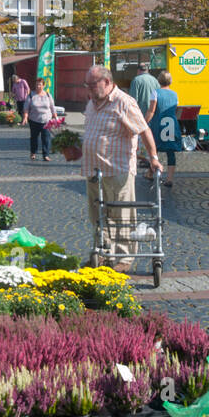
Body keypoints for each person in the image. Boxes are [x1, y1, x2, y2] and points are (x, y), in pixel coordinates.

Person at [82, 65, 162, 272]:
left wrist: (153, 158)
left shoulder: (124, 102)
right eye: (87, 86)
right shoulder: (92, 103)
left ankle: (123, 260)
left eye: (92, 85)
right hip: (93, 171)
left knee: (121, 216)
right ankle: (103, 254)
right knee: (98, 216)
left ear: (107, 82)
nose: (89, 90)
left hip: (118, 170)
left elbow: (144, 130)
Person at [149, 70, 181, 187]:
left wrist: (144, 121)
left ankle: (151, 173)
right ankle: (170, 178)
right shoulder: (175, 94)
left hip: (159, 124)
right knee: (170, 152)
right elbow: (176, 110)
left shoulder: (155, 93)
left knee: (154, 149)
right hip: (171, 124)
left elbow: (151, 111)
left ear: (159, 80)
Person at [21, 77, 56, 161]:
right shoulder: (31, 95)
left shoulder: (48, 95)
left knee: (46, 138)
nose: (38, 86)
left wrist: (55, 117)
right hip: (34, 120)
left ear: (43, 85)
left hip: (46, 120)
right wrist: (25, 117)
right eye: (36, 84)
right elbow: (26, 107)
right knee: (34, 138)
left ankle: (46, 155)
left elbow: (52, 107)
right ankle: (33, 152)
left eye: (39, 85)